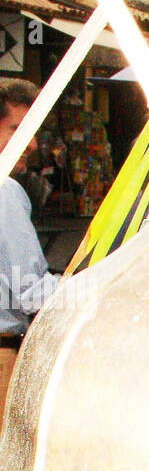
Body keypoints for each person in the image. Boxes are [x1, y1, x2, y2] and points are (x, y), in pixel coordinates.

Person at [0, 80, 58, 418]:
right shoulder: (5, 190)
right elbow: (30, 291)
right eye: (17, 129)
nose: (30, 143)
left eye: (33, 131)